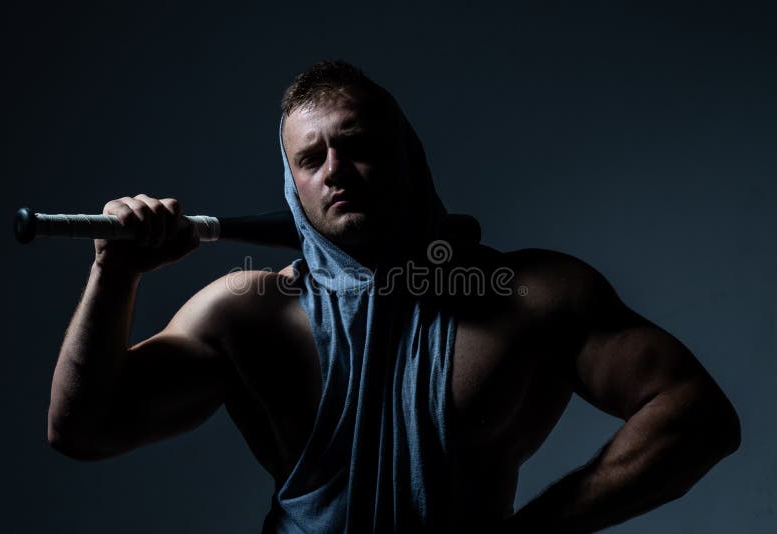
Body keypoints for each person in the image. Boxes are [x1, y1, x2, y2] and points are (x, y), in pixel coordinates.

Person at [47, 60, 741, 533]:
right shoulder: (246, 311)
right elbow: (84, 431)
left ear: (410, 156)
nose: (336, 171)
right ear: (293, 187)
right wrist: (114, 272)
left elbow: (696, 415)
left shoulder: (530, 295)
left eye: (359, 147)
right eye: (311, 159)